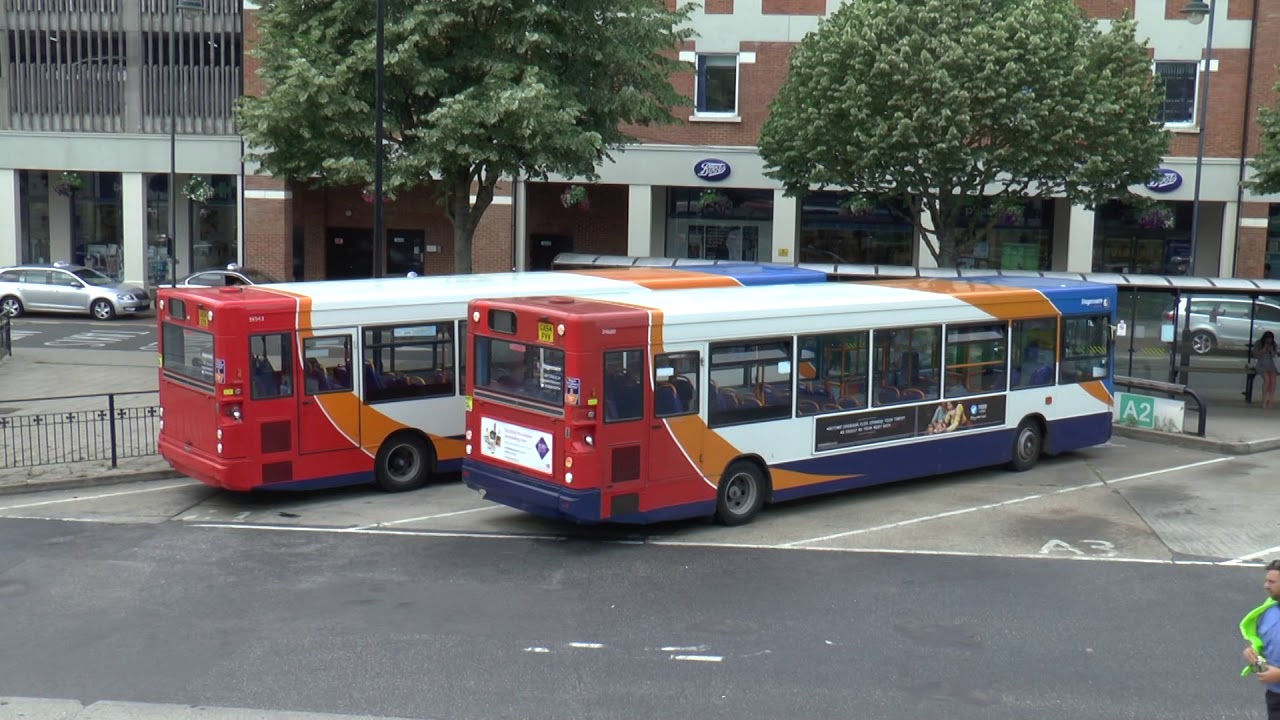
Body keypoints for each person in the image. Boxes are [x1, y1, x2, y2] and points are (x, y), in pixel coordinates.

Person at [1241, 560, 1280, 718]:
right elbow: (1263, 645)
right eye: (1266, 581)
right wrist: (1253, 656)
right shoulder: (1267, 612)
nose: (1266, 586)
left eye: (1272, 582)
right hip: (1274, 696)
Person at [1255, 331, 1279, 409]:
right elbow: (1256, 355)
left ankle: (1271, 400)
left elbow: (1275, 356)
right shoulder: (1258, 343)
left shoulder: (1274, 344)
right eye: (1267, 339)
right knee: (1267, 380)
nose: (1269, 341)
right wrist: (1264, 349)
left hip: (1272, 365)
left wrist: (1271, 351)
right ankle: (1264, 401)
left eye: (1270, 339)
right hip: (1262, 365)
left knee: (1273, 381)